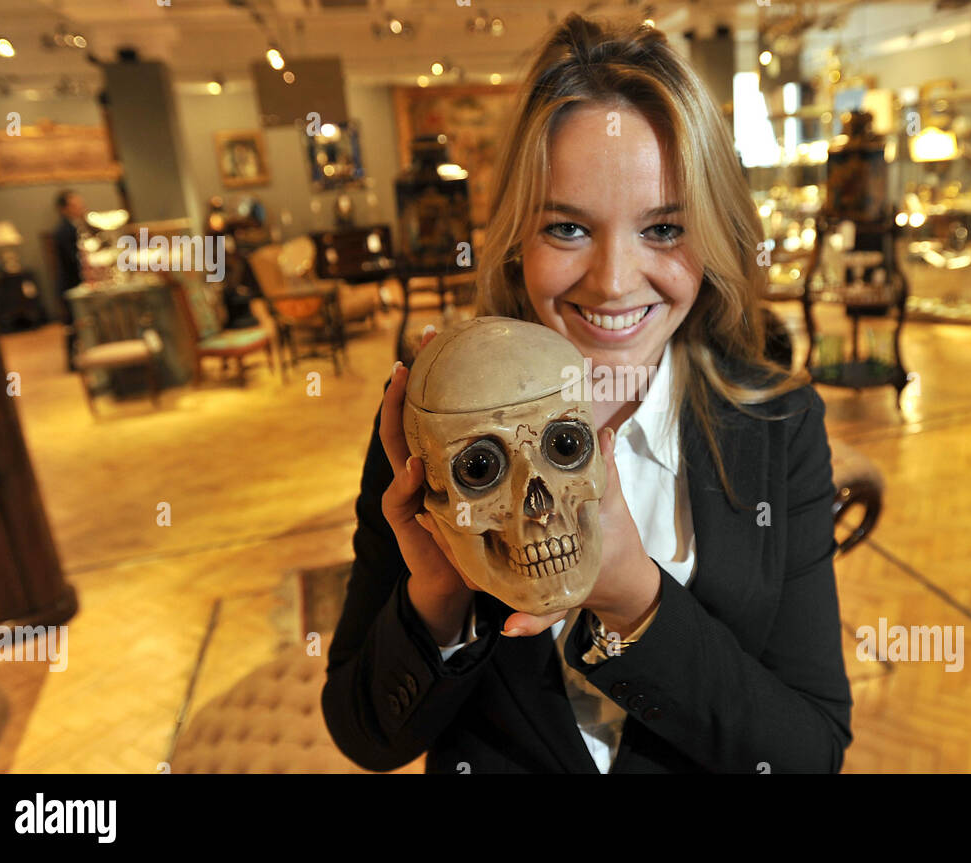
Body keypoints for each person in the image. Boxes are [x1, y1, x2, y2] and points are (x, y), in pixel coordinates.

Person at [322, 14, 853, 773]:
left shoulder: (778, 424)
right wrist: (433, 594)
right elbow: (365, 732)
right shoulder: (438, 417)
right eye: (568, 228)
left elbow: (809, 753)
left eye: (664, 228)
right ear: (515, 236)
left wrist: (635, 599)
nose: (612, 280)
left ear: (714, 232)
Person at [53, 190, 86, 372]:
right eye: (75, 204)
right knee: (73, 323)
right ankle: (72, 362)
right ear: (64, 209)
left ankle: (74, 360)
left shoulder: (76, 226)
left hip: (73, 282)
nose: (80, 207)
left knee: (74, 323)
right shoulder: (63, 231)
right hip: (70, 283)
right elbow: (73, 260)